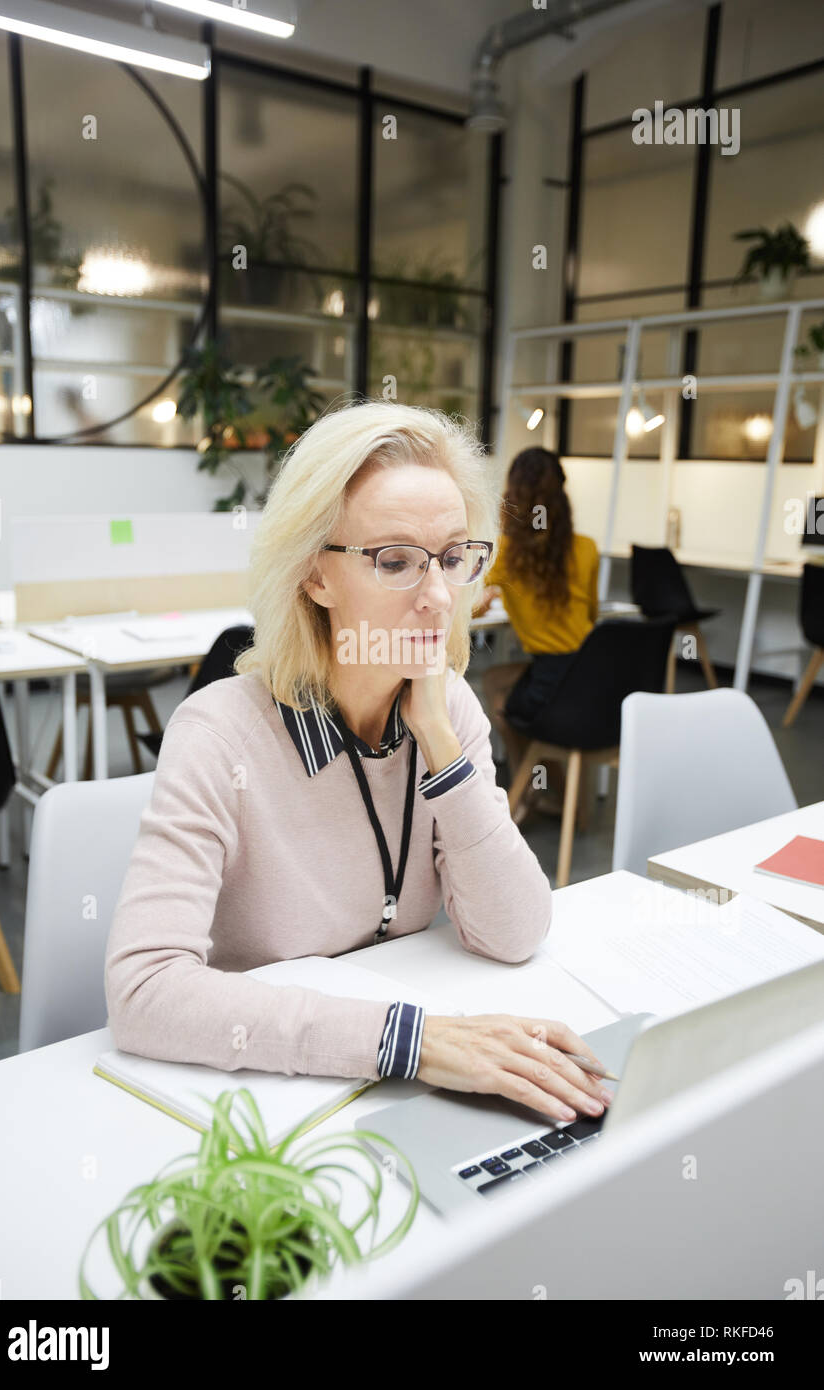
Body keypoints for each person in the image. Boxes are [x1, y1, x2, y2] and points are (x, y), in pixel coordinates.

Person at [104, 402, 612, 1125]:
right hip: (260, 1107)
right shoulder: (219, 734)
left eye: (453, 557)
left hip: (398, 1095)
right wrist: (408, 1042)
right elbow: (144, 992)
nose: (438, 597)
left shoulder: (449, 711)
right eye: (395, 561)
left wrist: (437, 737)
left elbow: (516, 930)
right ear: (315, 578)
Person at [474, 447, 599, 797]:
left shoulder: (507, 554)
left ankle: (528, 784)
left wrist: (488, 600)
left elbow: (466, 603)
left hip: (554, 681)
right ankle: (544, 783)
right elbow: (590, 615)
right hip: (594, 676)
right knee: (497, 679)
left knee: (500, 699)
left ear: (512, 496)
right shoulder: (586, 548)